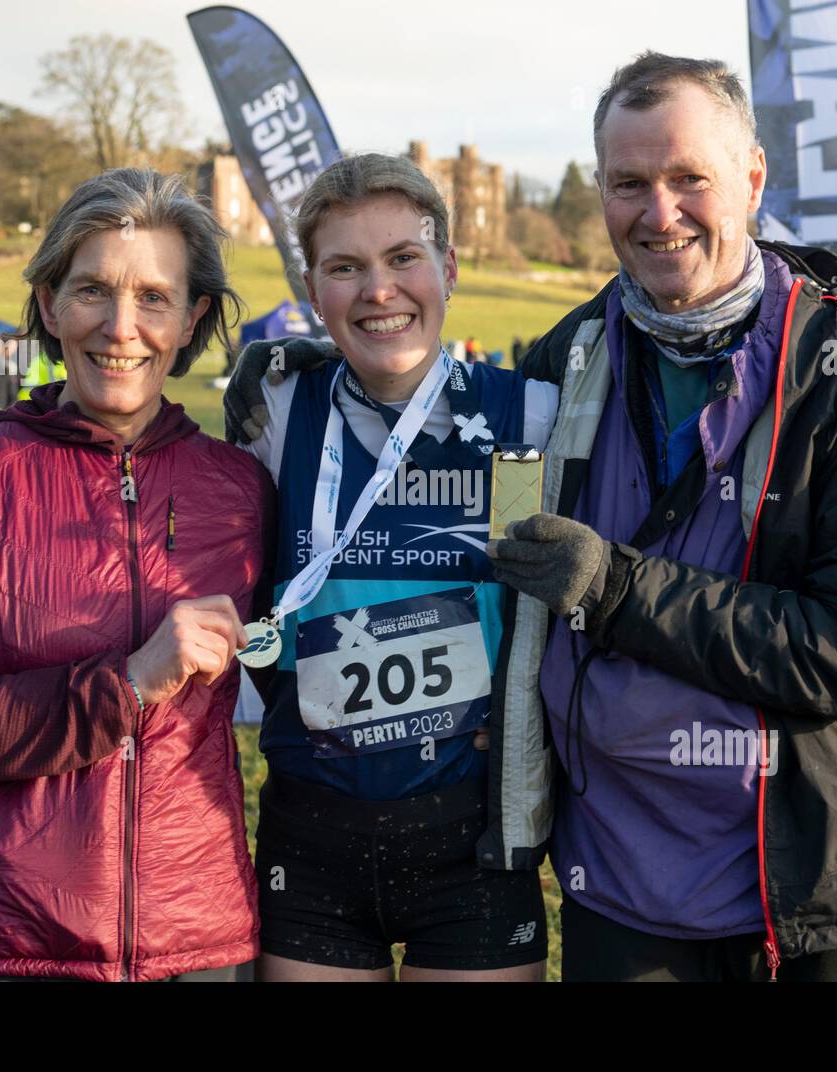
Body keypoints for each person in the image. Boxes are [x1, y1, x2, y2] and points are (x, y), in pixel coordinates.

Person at [225, 53, 837, 984]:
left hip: (813, 885)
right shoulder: (564, 363)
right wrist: (319, 362)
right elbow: (418, 383)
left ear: (753, 177)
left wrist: (616, 588)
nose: (661, 212)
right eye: (629, 184)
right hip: (620, 888)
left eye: (690, 177)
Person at [0, 167, 269, 982]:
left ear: (193, 317)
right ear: (49, 304)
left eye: (154, 297)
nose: (122, 328)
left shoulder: (242, 489)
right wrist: (125, 683)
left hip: (202, 948)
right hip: (8, 948)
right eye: (93, 290)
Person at [235, 153, 558, 981]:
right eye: (346, 268)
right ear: (314, 291)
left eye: (403, 258)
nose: (379, 290)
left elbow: (538, 592)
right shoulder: (276, 412)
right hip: (313, 830)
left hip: (473, 835)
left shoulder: (526, 416)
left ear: (447, 268)